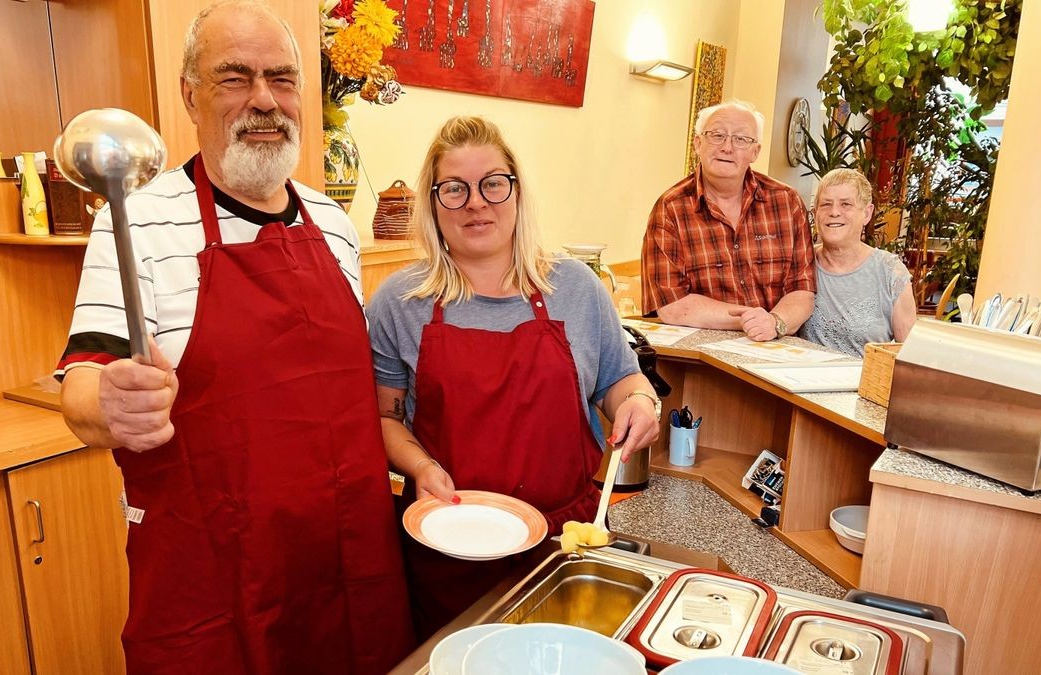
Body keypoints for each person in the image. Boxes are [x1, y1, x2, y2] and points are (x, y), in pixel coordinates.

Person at [55, 2, 412, 672]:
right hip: (217, 582)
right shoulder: (136, 220)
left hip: (347, 567)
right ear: (190, 95)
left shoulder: (334, 223)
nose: (264, 100)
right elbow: (83, 384)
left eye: (281, 79)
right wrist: (111, 404)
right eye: (234, 78)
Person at [366, 116, 661, 639]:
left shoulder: (576, 286)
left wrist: (639, 402)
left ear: (517, 191)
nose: (476, 203)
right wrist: (421, 466)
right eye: (454, 189)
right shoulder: (400, 301)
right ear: (433, 203)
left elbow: (620, 380)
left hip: (563, 546)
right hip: (446, 544)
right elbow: (384, 418)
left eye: (492, 184)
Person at [641, 99, 816, 341]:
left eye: (741, 139)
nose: (727, 147)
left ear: (755, 152)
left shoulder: (787, 202)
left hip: (776, 346)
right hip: (699, 352)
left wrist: (774, 322)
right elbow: (671, 303)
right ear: (698, 143)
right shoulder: (670, 208)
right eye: (717, 135)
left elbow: (802, 290)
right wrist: (750, 320)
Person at [800, 168, 916, 355]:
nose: (834, 212)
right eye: (826, 204)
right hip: (799, 371)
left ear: (867, 214)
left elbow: (908, 354)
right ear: (815, 213)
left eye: (846, 204)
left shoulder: (890, 272)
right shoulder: (801, 262)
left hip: (864, 374)